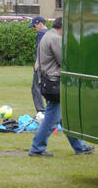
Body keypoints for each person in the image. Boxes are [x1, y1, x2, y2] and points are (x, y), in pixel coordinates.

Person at [29, 17, 94, 156]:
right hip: (54, 83)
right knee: (51, 120)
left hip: (49, 82)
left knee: (65, 117)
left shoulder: (47, 36)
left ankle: (80, 147)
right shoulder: (55, 38)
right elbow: (65, 60)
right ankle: (37, 148)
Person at [30, 16, 48, 112]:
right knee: (48, 88)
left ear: (40, 23)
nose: (34, 28)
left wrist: (36, 63)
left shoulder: (41, 34)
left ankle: (40, 111)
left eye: (34, 26)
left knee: (35, 88)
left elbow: (39, 50)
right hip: (50, 66)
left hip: (41, 65)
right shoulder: (50, 33)